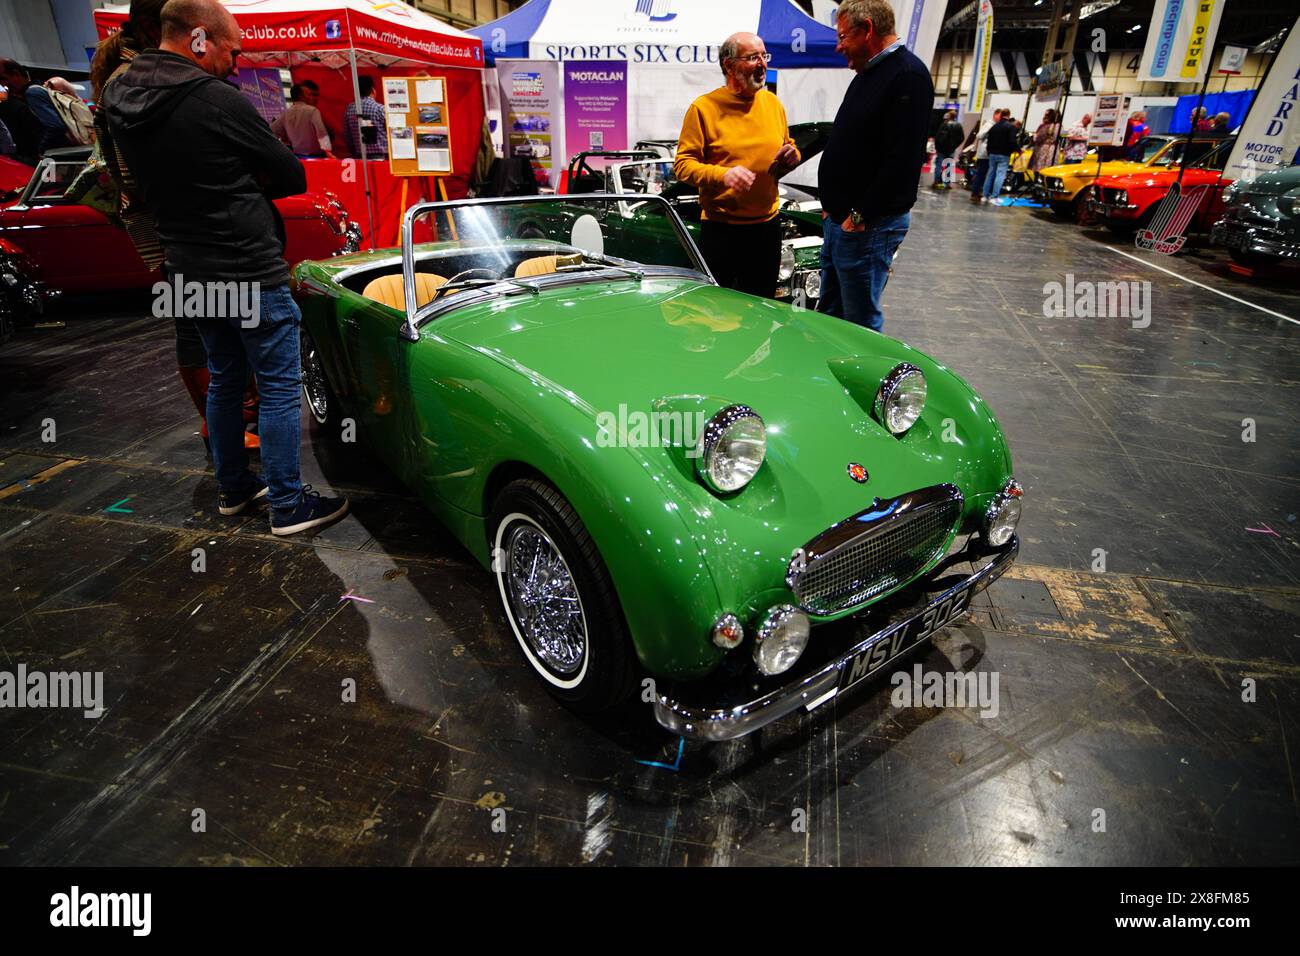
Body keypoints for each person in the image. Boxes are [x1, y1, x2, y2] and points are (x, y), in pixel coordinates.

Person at [104, 0, 348, 535]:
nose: (236, 62)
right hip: (246, 265)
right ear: (198, 39)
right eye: (231, 49)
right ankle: (287, 503)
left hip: (185, 266)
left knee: (224, 379)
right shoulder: (215, 100)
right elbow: (289, 174)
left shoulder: (117, 95)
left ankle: (234, 489)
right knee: (279, 385)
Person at [90, 0, 260, 454]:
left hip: (172, 223)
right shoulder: (133, 83)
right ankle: (216, 422)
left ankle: (226, 418)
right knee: (200, 325)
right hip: (171, 226)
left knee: (211, 321)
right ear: (152, 27)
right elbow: (134, 172)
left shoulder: (134, 78)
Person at [816, 0, 933, 332]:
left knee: (860, 324)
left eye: (843, 37)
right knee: (830, 315)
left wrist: (859, 214)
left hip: (867, 227)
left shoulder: (907, 76)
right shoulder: (869, 74)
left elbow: (903, 159)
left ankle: (866, 385)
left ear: (867, 29)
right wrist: (832, 209)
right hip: (843, 222)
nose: (839, 47)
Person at [673, 31, 799, 297]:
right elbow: (683, 165)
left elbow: (788, 145)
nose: (762, 63)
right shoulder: (703, 108)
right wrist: (723, 175)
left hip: (767, 228)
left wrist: (793, 156)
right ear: (729, 65)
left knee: (762, 306)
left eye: (764, 56)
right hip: (722, 231)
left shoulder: (772, 103)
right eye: (753, 57)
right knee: (717, 311)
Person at [271, 81, 333, 158]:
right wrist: (328, 151)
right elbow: (321, 132)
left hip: (297, 157)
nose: (312, 97)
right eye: (309, 94)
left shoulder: (287, 113)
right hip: (316, 156)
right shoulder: (312, 111)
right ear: (301, 96)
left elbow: (272, 131)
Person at [0, 60, 45, 164]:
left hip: (35, 162)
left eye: (2, 79)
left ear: (16, 74)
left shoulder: (34, 94)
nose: (1, 85)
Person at [344, 75, 388, 160]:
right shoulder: (379, 109)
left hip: (360, 157)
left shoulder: (349, 109)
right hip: (382, 157)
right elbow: (392, 133)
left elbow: (347, 136)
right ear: (373, 90)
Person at [966, 107, 1003, 203]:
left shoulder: (996, 125)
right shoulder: (989, 124)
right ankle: (974, 193)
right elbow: (979, 136)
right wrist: (989, 133)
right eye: (1000, 115)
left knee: (985, 174)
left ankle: (978, 192)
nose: (1001, 117)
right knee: (981, 174)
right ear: (995, 114)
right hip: (984, 154)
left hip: (990, 153)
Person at [982, 110, 1017, 203]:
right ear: (1009, 115)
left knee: (990, 174)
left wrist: (989, 152)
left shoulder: (994, 126)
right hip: (1004, 154)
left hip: (992, 154)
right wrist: (1018, 150)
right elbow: (1012, 141)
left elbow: (989, 141)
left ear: (1001, 115)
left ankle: (985, 196)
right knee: (1000, 175)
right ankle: (994, 197)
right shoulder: (1011, 127)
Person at [930, 109, 963, 189]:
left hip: (941, 149)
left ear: (949, 116)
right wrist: (955, 145)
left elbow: (938, 137)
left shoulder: (944, 124)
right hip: (951, 149)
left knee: (939, 165)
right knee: (949, 165)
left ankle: (936, 182)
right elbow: (961, 137)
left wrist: (937, 147)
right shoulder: (958, 125)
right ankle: (947, 184)